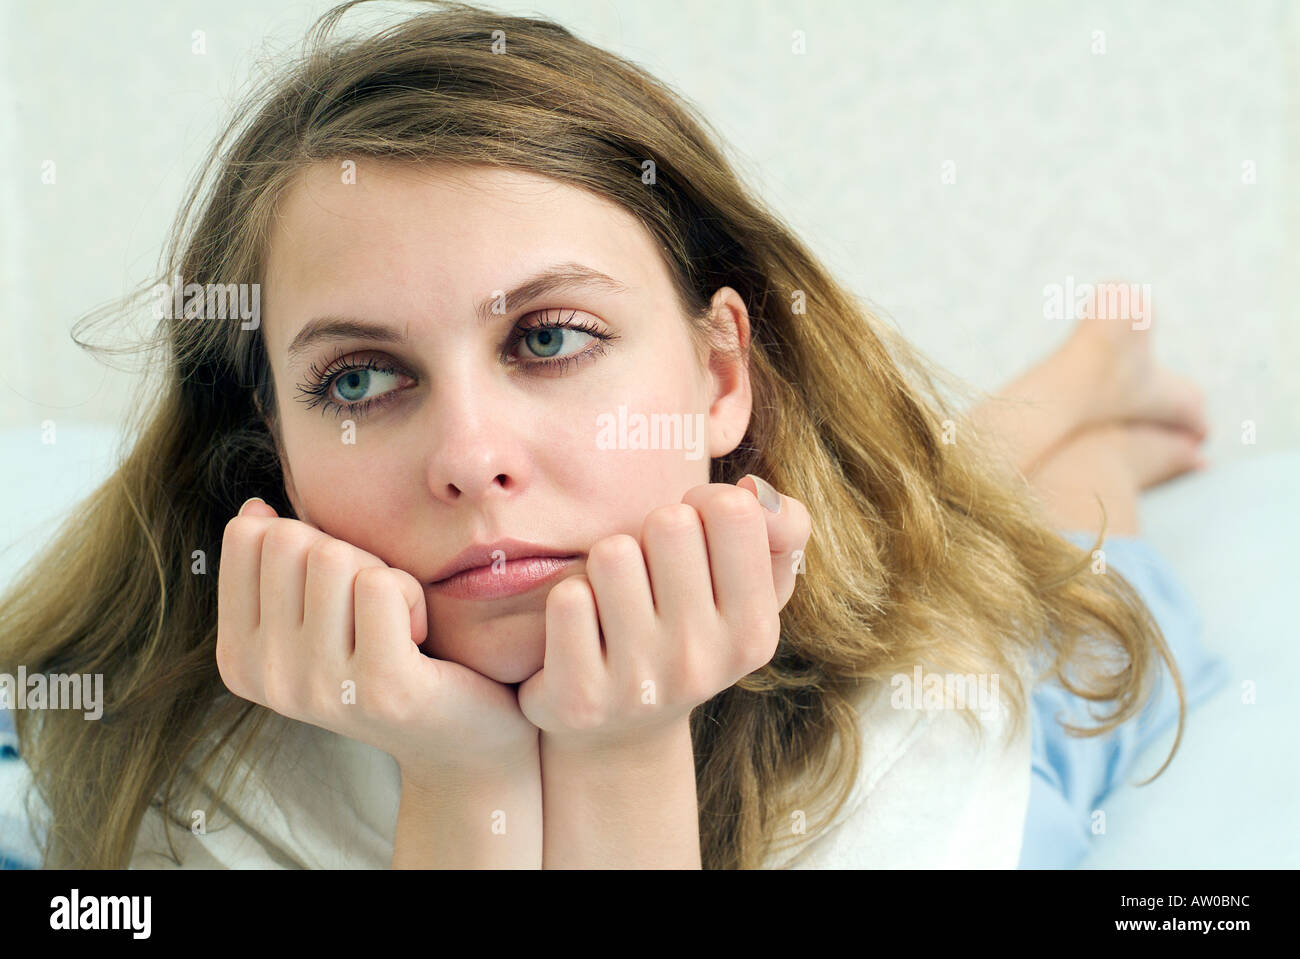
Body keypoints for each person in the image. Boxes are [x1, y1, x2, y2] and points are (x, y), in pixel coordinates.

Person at [0, 0, 1225, 870]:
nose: (471, 456)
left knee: (1036, 533)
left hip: (985, 720)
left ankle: (1086, 378)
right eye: (363, 377)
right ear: (273, 443)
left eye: (548, 338)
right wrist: (466, 774)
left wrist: (621, 746)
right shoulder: (173, 757)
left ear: (716, 372)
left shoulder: (922, 704)